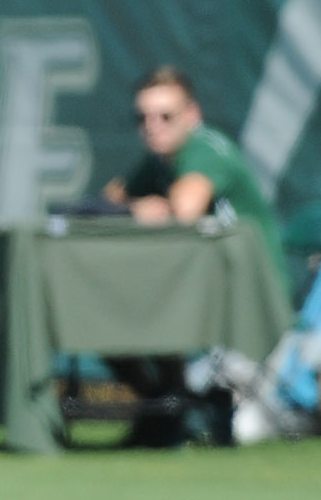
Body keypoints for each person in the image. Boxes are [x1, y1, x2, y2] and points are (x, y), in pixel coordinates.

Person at [102, 65, 284, 445]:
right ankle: (165, 408)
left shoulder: (205, 148)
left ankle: (181, 408)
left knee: (243, 431)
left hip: (253, 313)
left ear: (192, 116)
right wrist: (136, 205)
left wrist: (142, 208)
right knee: (109, 314)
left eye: (166, 116)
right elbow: (110, 200)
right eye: (143, 118)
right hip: (198, 304)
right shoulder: (159, 160)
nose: (153, 126)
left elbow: (184, 210)